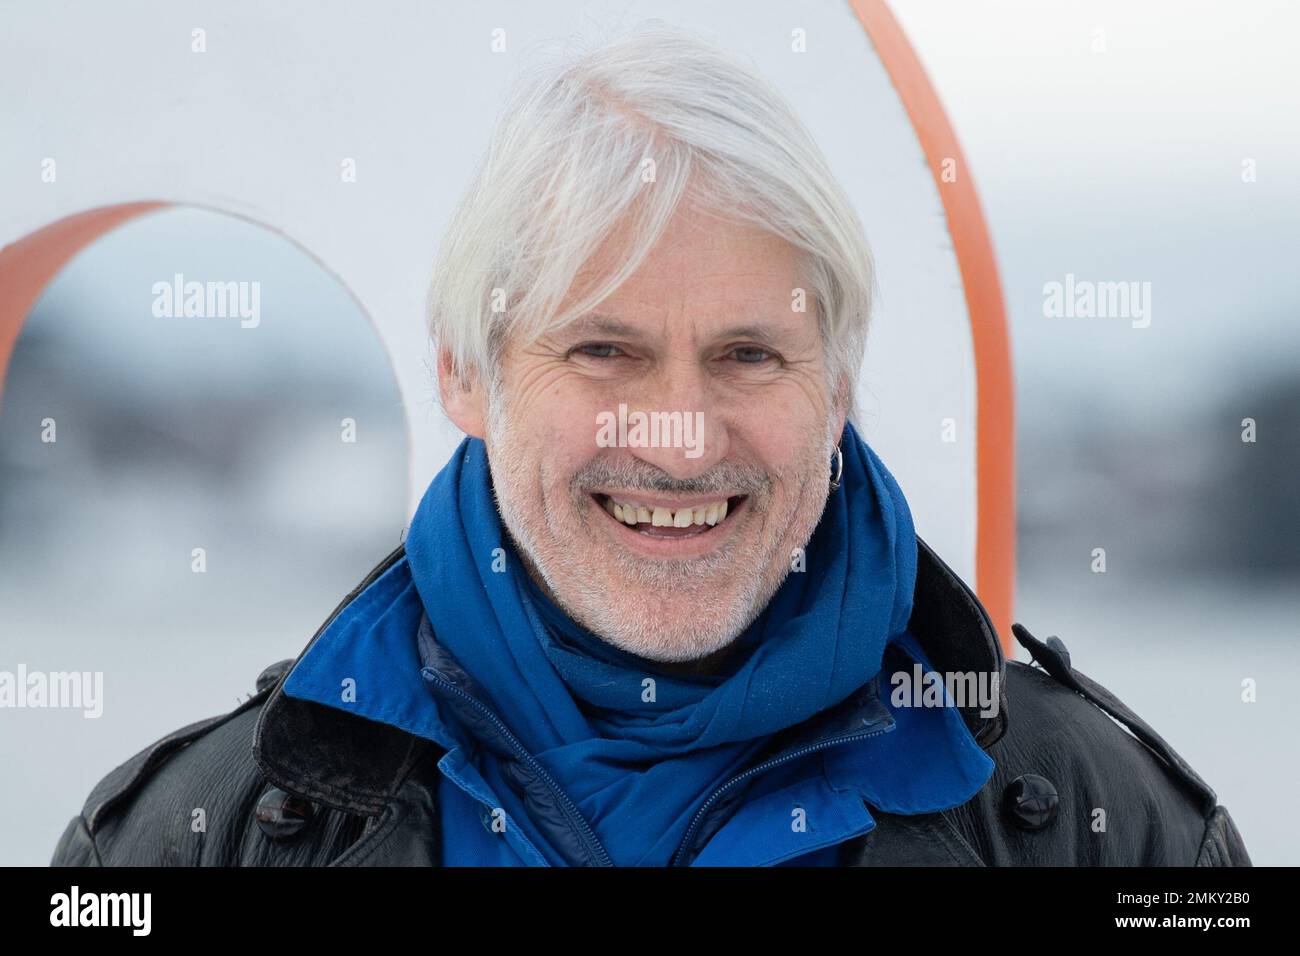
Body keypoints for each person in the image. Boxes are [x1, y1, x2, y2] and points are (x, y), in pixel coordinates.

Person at [51, 23, 1249, 868]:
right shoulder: (187, 838)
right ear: (465, 372)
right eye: (603, 351)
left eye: (746, 354)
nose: (678, 440)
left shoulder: (1102, 826)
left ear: (837, 382)